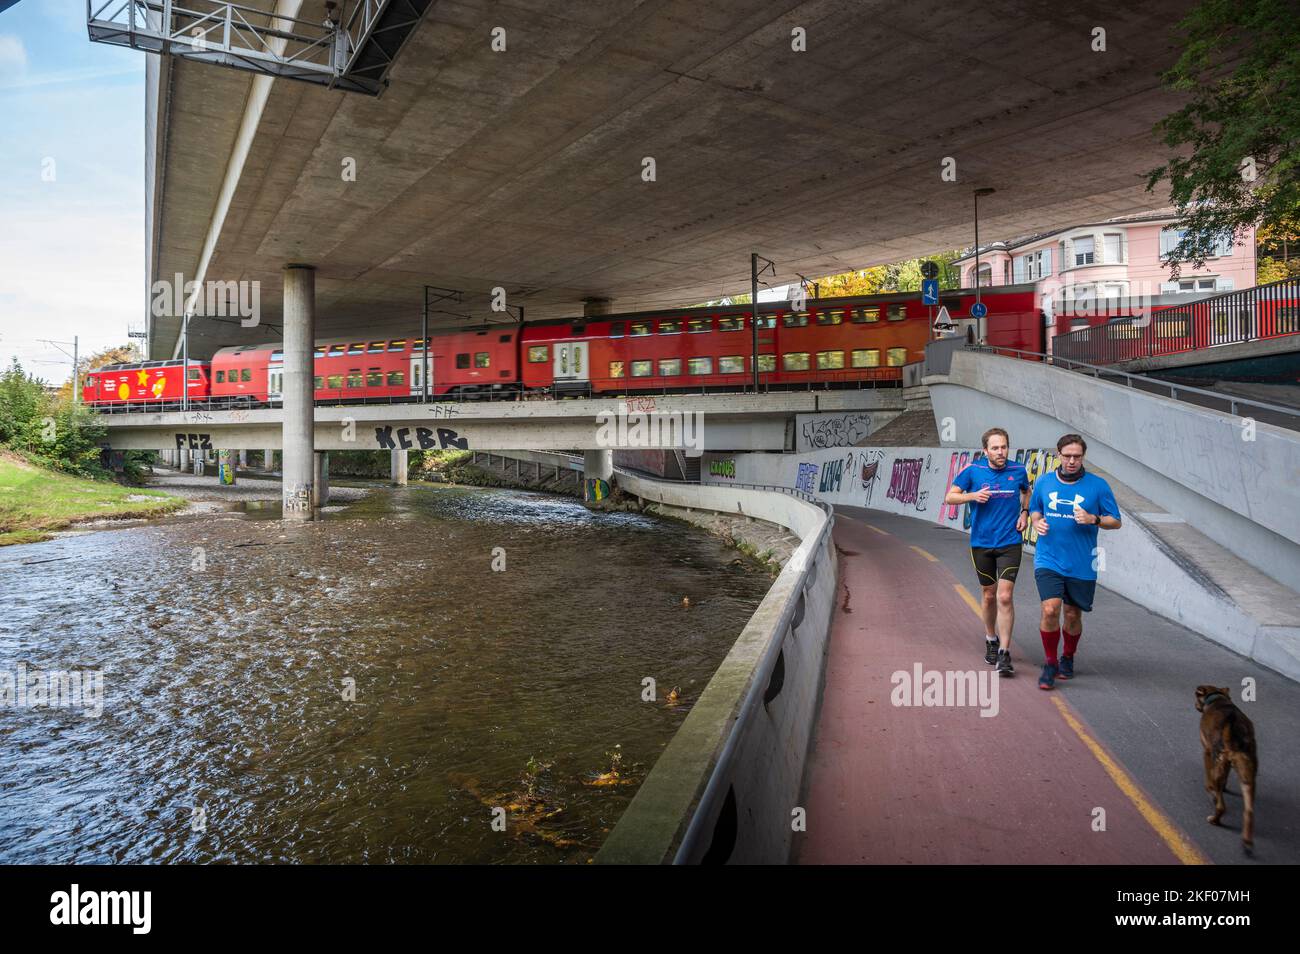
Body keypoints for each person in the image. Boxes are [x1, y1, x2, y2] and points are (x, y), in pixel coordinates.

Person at [1028, 434, 1121, 690]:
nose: (1071, 461)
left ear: (1083, 457)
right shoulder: (1045, 482)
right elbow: (1035, 508)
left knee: (1072, 614)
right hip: (1049, 558)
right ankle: (1049, 663)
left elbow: (1116, 520)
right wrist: (1036, 521)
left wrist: (1094, 519)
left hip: (1082, 561)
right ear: (1058, 455)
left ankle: (1067, 656)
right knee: (1050, 609)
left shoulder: (1098, 486)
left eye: (1077, 457)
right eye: (1067, 456)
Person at [944, 427, 1029, 677]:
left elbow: (1026, 492)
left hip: (1010, 542)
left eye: (1004, 447)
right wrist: (972, 495)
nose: (1000, 452)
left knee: (1004, 596)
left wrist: (1024, 513)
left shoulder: (1018, 470)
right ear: (985, 450)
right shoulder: (973, 471)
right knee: (989, 595)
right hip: (981, 543)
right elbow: (950, 497)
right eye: (995, 448)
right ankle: (991, 638)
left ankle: (1004, 652)